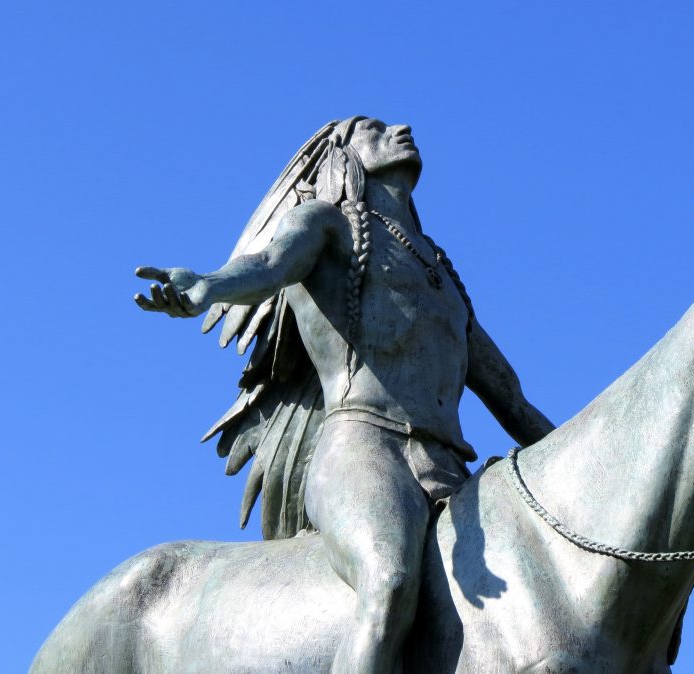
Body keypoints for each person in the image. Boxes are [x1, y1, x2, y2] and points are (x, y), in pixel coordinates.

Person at [133, 116, 554, 674]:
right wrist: (210, 285)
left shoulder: (441, 275)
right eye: (373, 128)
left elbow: (513, 401)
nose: (400, 127)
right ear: (341, 154)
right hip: (364, 452)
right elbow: (265, 265)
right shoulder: (325, 226)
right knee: (389, 580)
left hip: (450, 468)